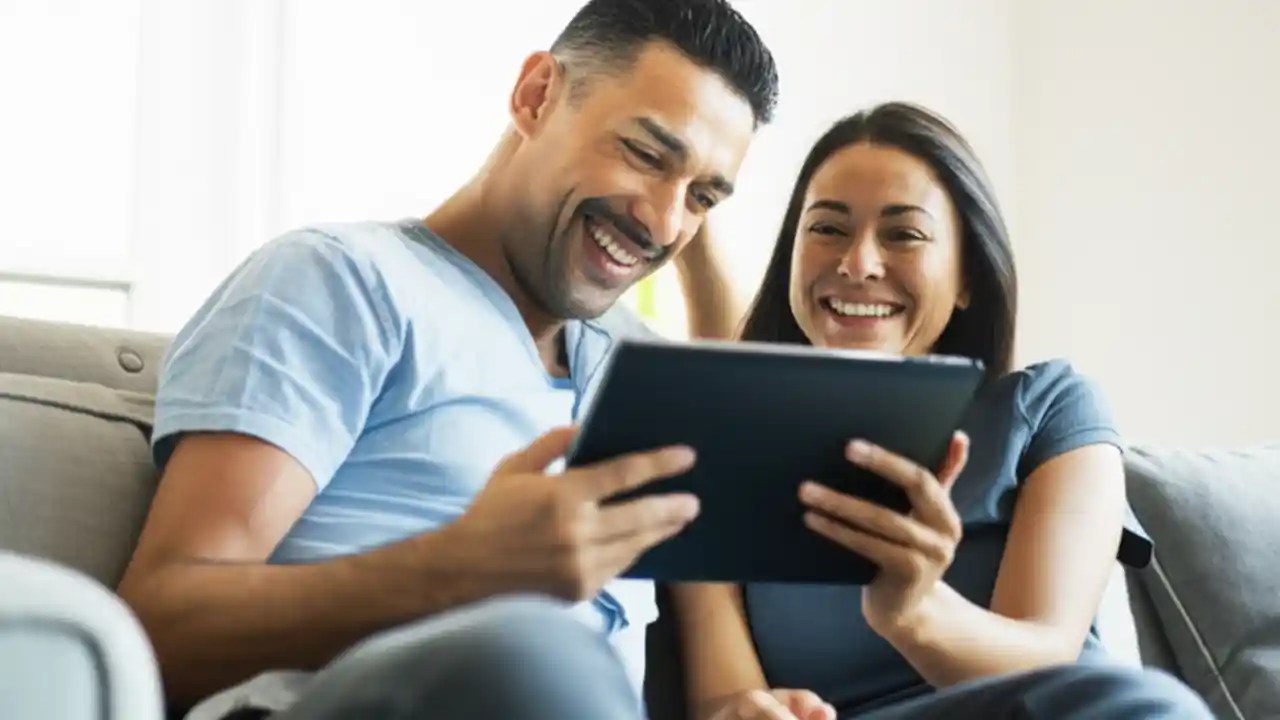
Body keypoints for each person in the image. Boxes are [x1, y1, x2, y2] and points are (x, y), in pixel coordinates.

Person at [113, 1, 779, 718]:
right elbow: (155, 627)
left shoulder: (640, 367)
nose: (665, 221)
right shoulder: (342, 283)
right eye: (646, 154)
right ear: (535, 97)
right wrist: (458, 568)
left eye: (703, 197)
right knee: (539, 649)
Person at [672, 103, 1212, 720]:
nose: (858, 263)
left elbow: (1048, 658)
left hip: (1054, 710)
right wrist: (747, 711)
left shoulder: (1047, 410)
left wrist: (915, 611)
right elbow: (724, 698)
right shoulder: (724, 454)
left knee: (1148, 706)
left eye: (903, 234)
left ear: (966, 280)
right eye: (827, 228)